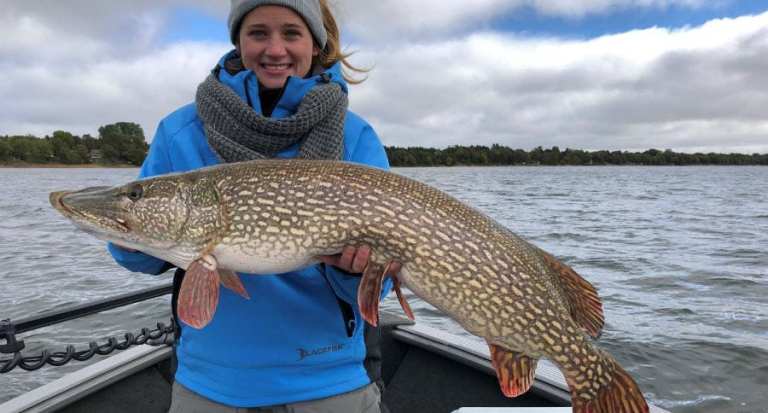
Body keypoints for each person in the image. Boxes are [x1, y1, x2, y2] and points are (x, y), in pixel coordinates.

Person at [108, 1, 395, 411]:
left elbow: (376, 288)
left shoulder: (355, 136)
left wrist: (355, 271)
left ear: (315, 44)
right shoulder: (180, 132)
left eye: (291, 33)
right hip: (210, 384)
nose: (275, 49)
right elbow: (140, 258)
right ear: (238, 41)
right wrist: (128, 235)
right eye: (258, 33)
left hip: (329, 380)